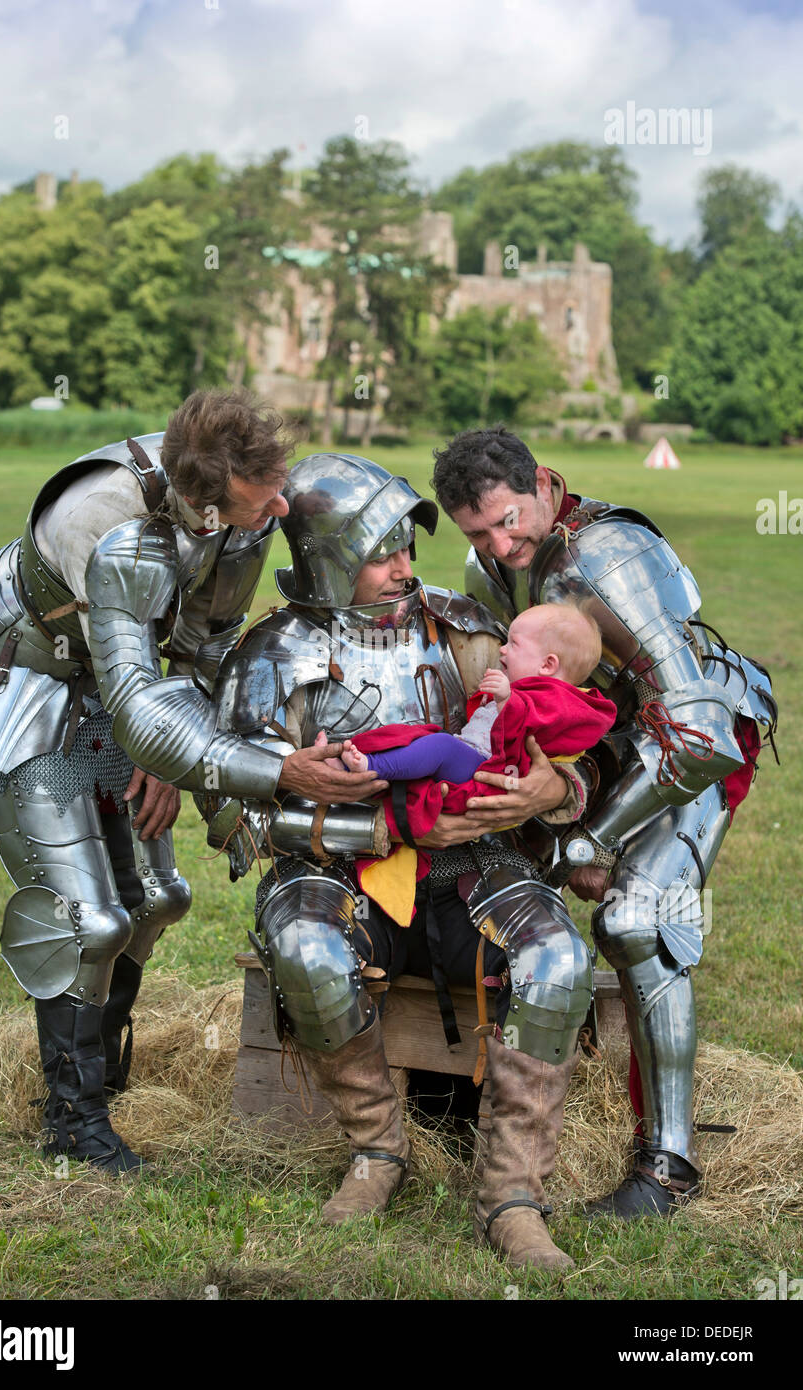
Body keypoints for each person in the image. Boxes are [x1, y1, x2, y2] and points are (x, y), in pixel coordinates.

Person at [0, 391, 379, 1175]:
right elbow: (136, 698)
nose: (283, 507)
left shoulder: (238, 510)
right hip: (36, 684)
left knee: (158, 898)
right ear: (203, 497)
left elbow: (199, 644)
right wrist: (278, 772)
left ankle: (101, 1069)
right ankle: (70, 1118)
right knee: (89, 919)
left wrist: (161, 761)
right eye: (267, 498)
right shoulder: (104, 521)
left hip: (127, 693)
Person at [209, 451, 599, 1273]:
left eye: (407, 547)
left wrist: (547, 790)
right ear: (327, 557)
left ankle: (513, 1193)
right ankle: (378, 1152)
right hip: (338, 869)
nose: (403, 568)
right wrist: (374, 825)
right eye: (380, 552)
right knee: (310, 952)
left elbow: (560, 740)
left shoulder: (464, 628)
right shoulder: (270, 654)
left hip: (470, 865)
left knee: (559, 958)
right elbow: (237, 810)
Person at [430, 426, 778, 1217]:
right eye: (477, 532)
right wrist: (548, 796)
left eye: (507, 520)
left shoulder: (607, 557)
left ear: (539, 485)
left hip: (686, 742)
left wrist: (591, 837)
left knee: (632, 921)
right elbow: (530, 701)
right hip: (599, 741)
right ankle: (468, 1101)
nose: (498, 544)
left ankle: (669, 1167)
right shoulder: (489, 565)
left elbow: (700, 733)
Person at [331, 604, 616, 927]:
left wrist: (510, 699)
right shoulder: (530, 689)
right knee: (417, 739)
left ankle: (369, 765)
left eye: (514, 644)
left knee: (438, 745)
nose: (502, 649)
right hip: (475, 764)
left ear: (548, 664)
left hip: (486, 775)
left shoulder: (557, 699)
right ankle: (348, 756)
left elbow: (543, 723)